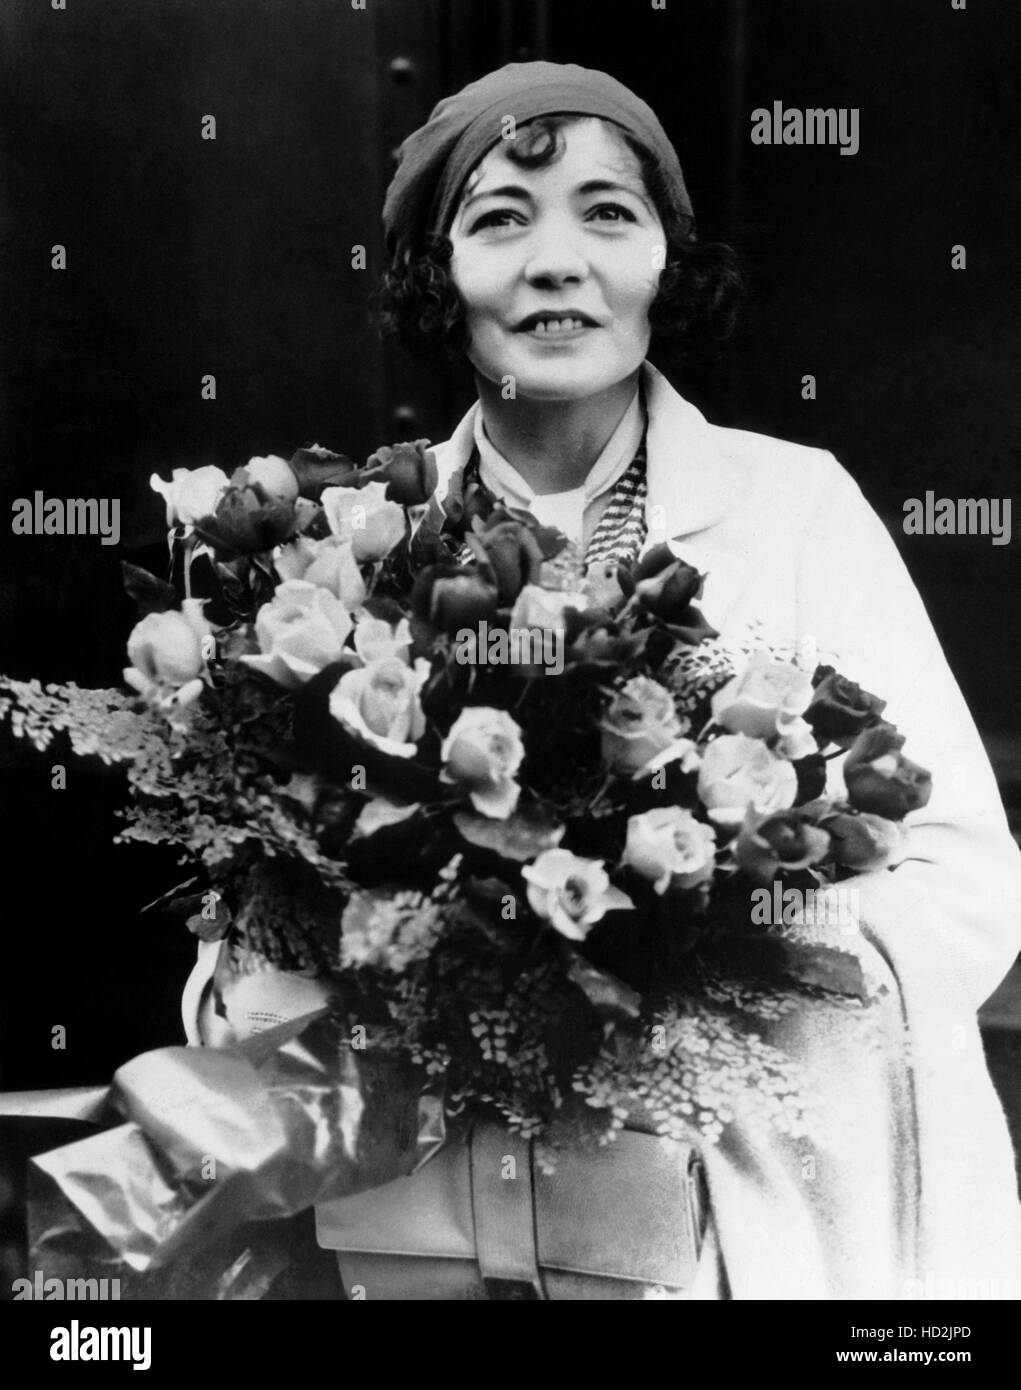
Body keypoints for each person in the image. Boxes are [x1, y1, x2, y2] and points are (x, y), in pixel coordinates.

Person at [185, 61, 1021, 1299]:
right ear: (437, 276)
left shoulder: (795, 508)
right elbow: (234, 930)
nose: (558, 260)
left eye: (607, 212)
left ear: (663, 268)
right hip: (407, 1235)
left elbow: (963, 887)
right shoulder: (333, 552)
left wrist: (705, 946)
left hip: (734, 1230)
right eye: (501, 219)